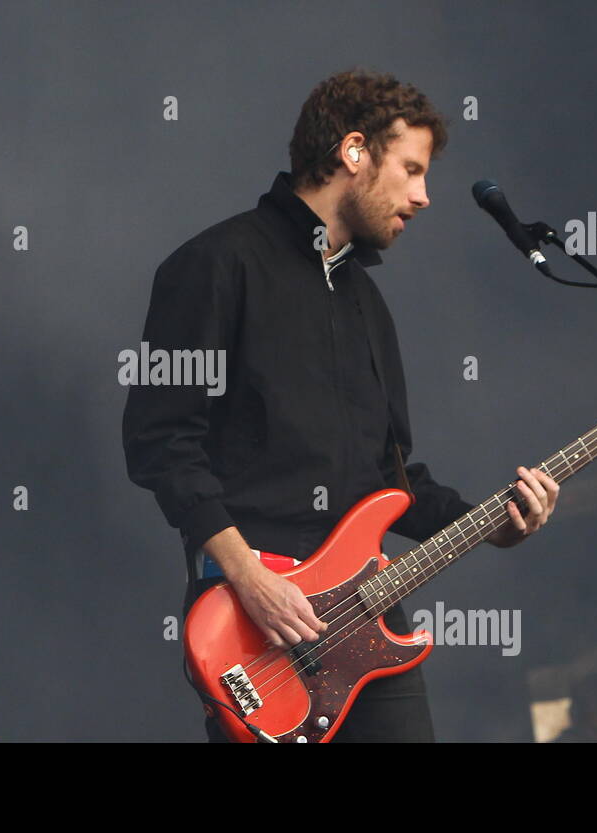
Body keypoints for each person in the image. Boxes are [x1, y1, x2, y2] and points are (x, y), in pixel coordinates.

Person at [122, 70, 558, 742]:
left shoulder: (367, 303)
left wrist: (492, 522)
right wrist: (248, 575)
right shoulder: (216, 263)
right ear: (354, 152)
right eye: (411, 170)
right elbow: (158, 440)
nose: (424, 196)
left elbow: (391, 477)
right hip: (256, 618)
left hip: (366, 617)